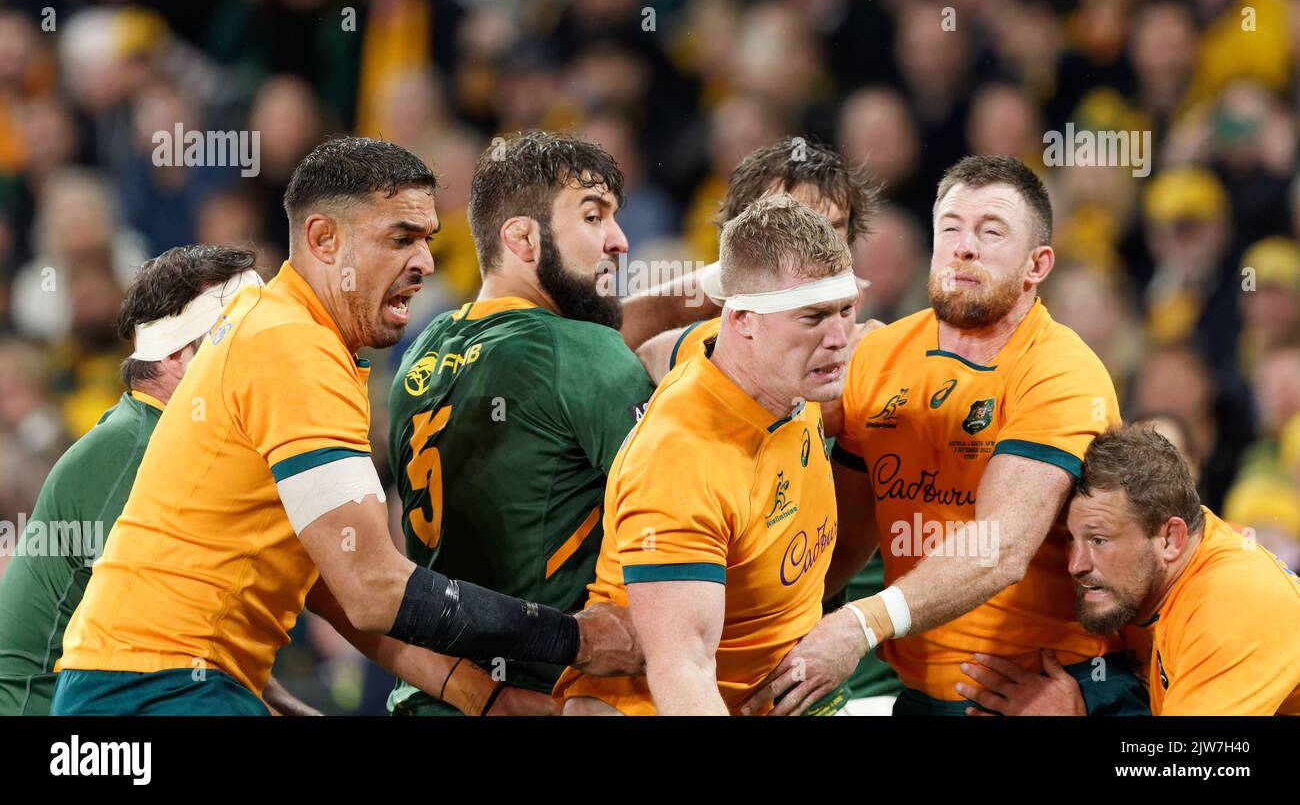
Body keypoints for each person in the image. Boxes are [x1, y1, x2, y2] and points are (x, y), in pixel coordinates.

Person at [51, 137, 640, 715]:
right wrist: (579, 638)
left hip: (147, 682)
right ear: (324, 240)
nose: (426, 263)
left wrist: (486, 696)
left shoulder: (289, 332)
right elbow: (371, 588)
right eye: (401, 238)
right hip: (154, 690)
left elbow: (333, 589)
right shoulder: (295, 348)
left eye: (429, 239)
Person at [746, 155, 1147, 716]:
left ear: (1037, 265)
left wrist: (858, 624)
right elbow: (843, 537)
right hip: (920, 696)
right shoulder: (879, 356)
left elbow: (999, 550)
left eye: (992, 232)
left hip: (1048, 692)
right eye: (951, 227)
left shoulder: (1062, 373)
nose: (964, 247)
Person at [553, 195, 856, 715]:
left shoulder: (763, 363)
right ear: (742, 321)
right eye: (812, 317)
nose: (838, 338)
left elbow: (651, 348)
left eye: (846, 310)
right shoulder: (682, 460)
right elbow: (682, 669)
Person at [386, 131, 655, 715]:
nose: (619, 241)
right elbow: (686, 535)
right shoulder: (584, 354)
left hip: (433, 694)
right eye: (593, 216)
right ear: (523, 238)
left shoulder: (421, 351)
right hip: (547, 698)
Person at [0, 246, 322, 715]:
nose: (263, 359)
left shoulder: (168, 437)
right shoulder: (133, 449)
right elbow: (163, 639)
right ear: (175, 354)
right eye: (239, 340)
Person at [957, 424, 1300, 715]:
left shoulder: (1234, 601)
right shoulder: (1146, 580)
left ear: (1170, 538)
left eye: (1100, 540)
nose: (1076, 565)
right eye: (1071, 539)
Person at [634, 136, 880, 388]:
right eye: (795, 223)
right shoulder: (698, 339)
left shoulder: (870, 343)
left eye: (834, 227)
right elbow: (605, 340)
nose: (817, 241)